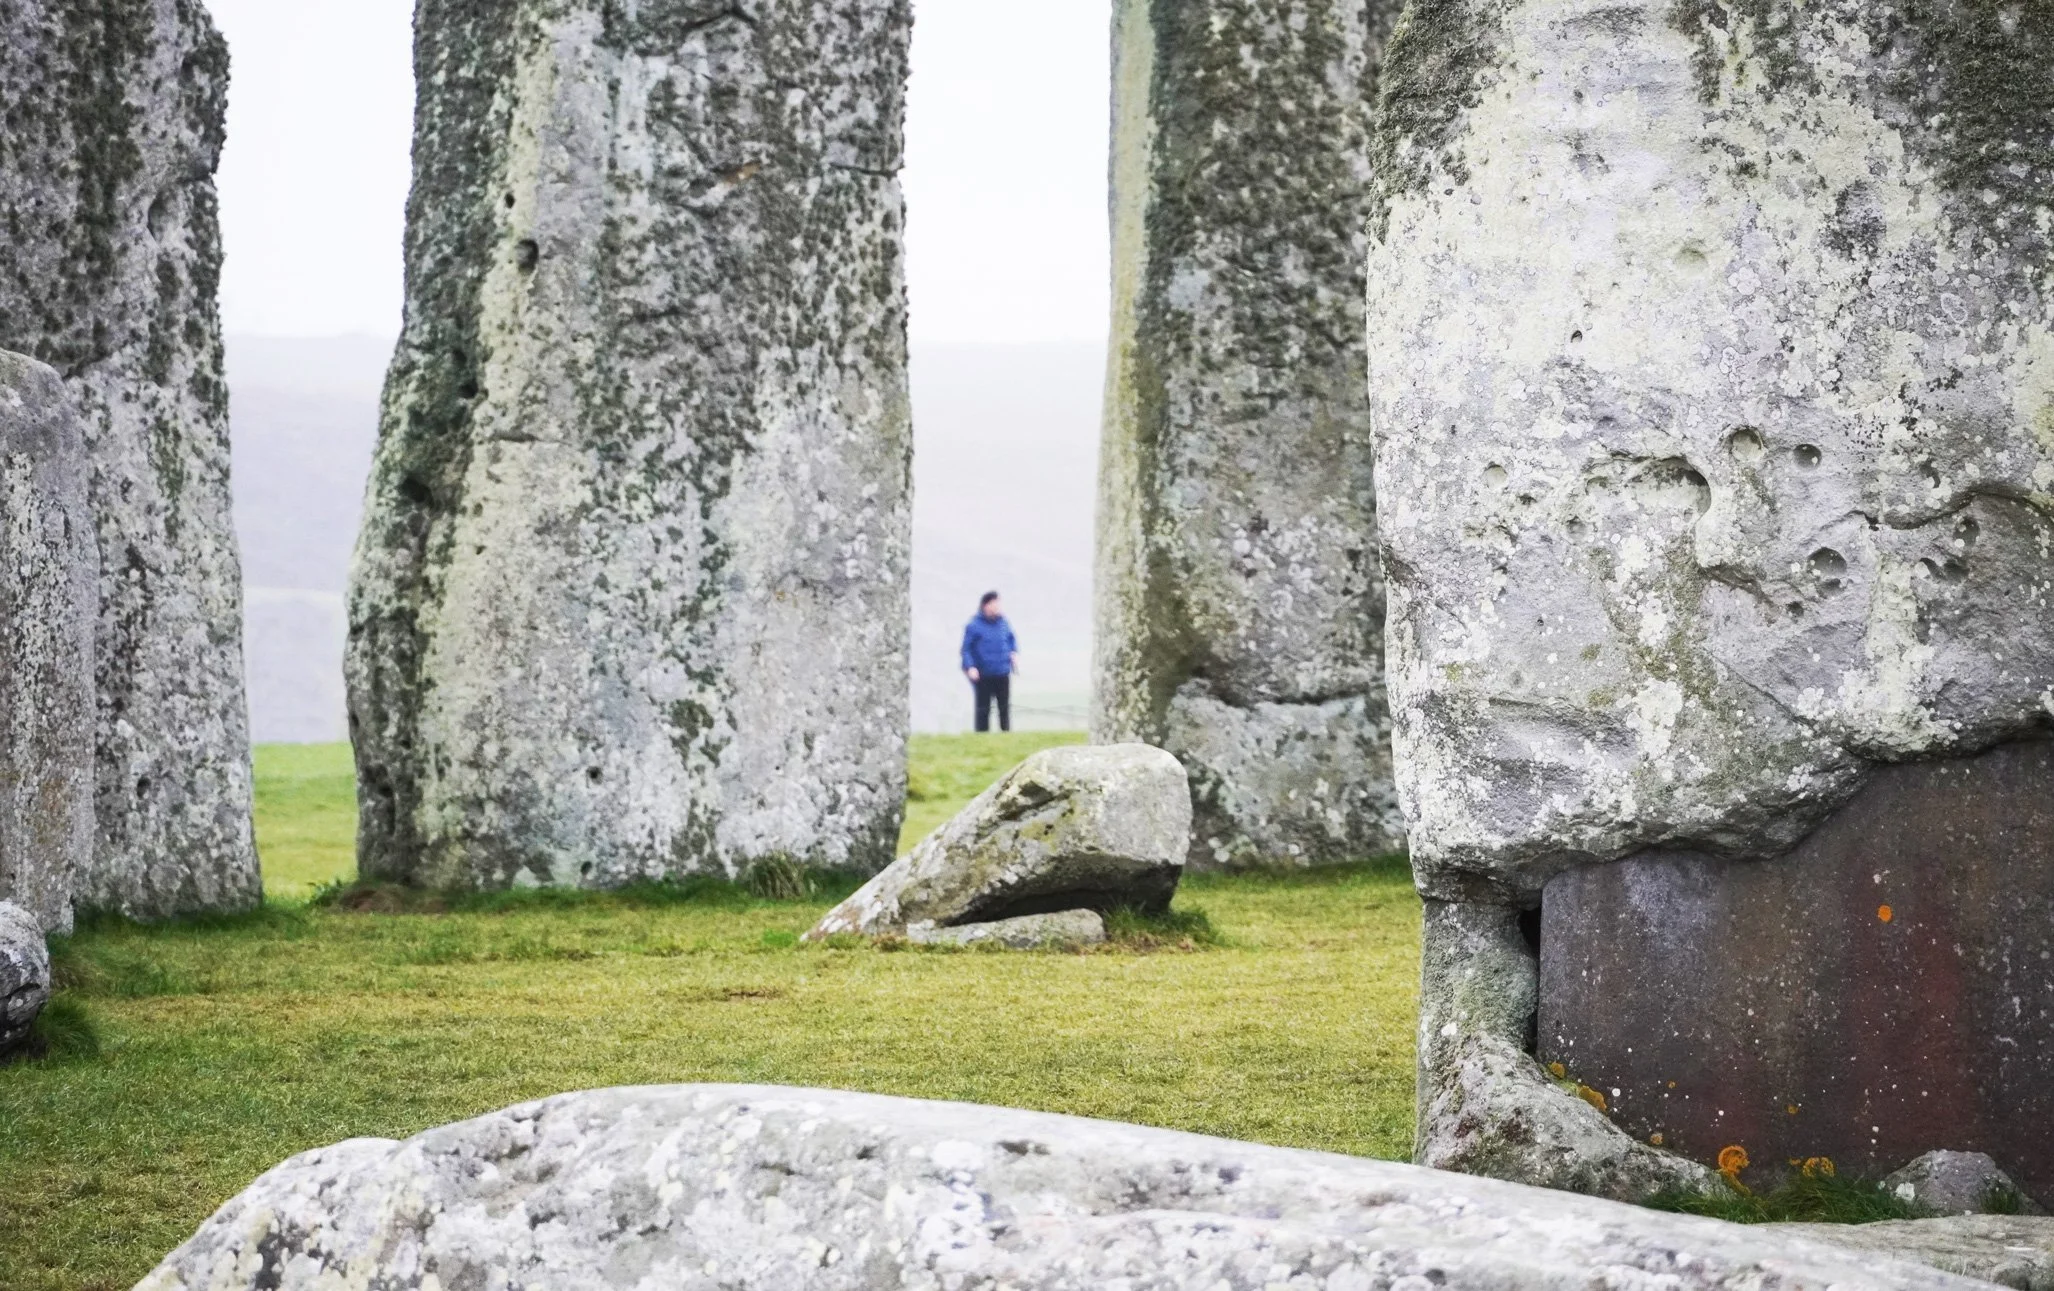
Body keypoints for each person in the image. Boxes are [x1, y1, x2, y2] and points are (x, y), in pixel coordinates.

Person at [960, 591, 1019, 733]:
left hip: (1002, 672)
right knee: (983, 709)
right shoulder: (974, 625)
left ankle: (1006, 734)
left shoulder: (1004, 623)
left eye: (998, 604)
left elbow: (1011, 639)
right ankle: (981, 737)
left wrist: (1014, 652)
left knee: (1004, 708)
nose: (997, 607)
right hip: (983, 674)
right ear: (985, 605)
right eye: (994, 604)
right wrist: (970, 667)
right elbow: (966, 649)